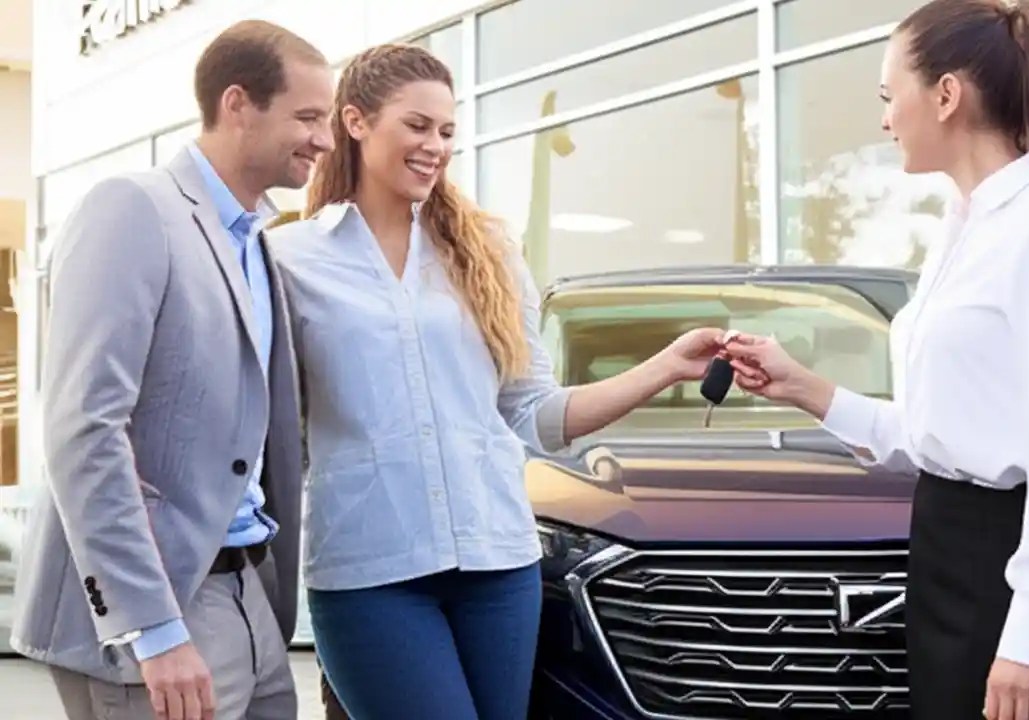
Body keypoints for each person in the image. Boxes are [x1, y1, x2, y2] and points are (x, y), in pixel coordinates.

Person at [268, 43, 730, 720]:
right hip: (369, 573)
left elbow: (535, 414)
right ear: (357, 122)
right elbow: (274, 428)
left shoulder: (487, 249)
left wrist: (666, 368)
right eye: (417, 126)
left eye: (447, 132)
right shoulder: (291, 258)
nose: (436, 146)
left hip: (498, 567)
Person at [724, 1, 1029, 719]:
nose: (884, 121)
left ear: (947, 95)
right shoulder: (961, 231)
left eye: (889, 96)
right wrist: (807, 389)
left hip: (1013, 581)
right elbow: (942, 437)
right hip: (949, 558)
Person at [9, 20, 336, 720]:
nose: (326, 140)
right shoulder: (133, 209)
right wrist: (150, 627)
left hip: (252, 594)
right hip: (165, 608)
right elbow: (84, 428)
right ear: (238, 104)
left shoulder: (257, 244)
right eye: (308, 117)